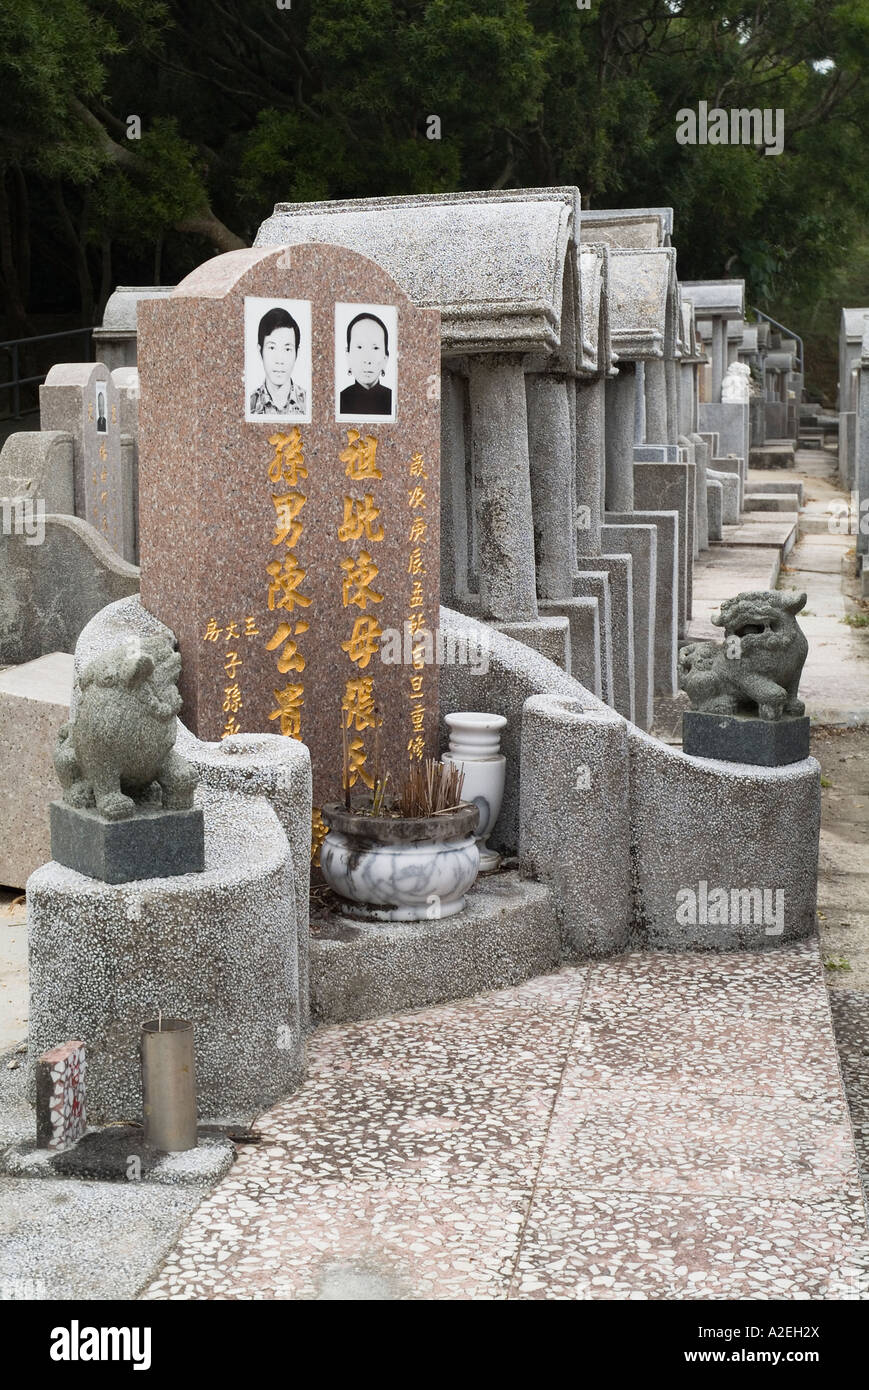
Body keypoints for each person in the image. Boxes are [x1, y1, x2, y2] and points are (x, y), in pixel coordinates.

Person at [249, 307, 307, 416]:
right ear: (260, 351)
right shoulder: (249, 405)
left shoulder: (309, 403)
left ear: (297, 353)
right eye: (272, 348)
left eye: (287, 349)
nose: (280, 360)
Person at [339, 312, 393, 416]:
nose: (367, 360)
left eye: (375, 348)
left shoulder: (394, 399)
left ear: (386, 358)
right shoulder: (339, 400)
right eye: (359, 347)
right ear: (348, 355)